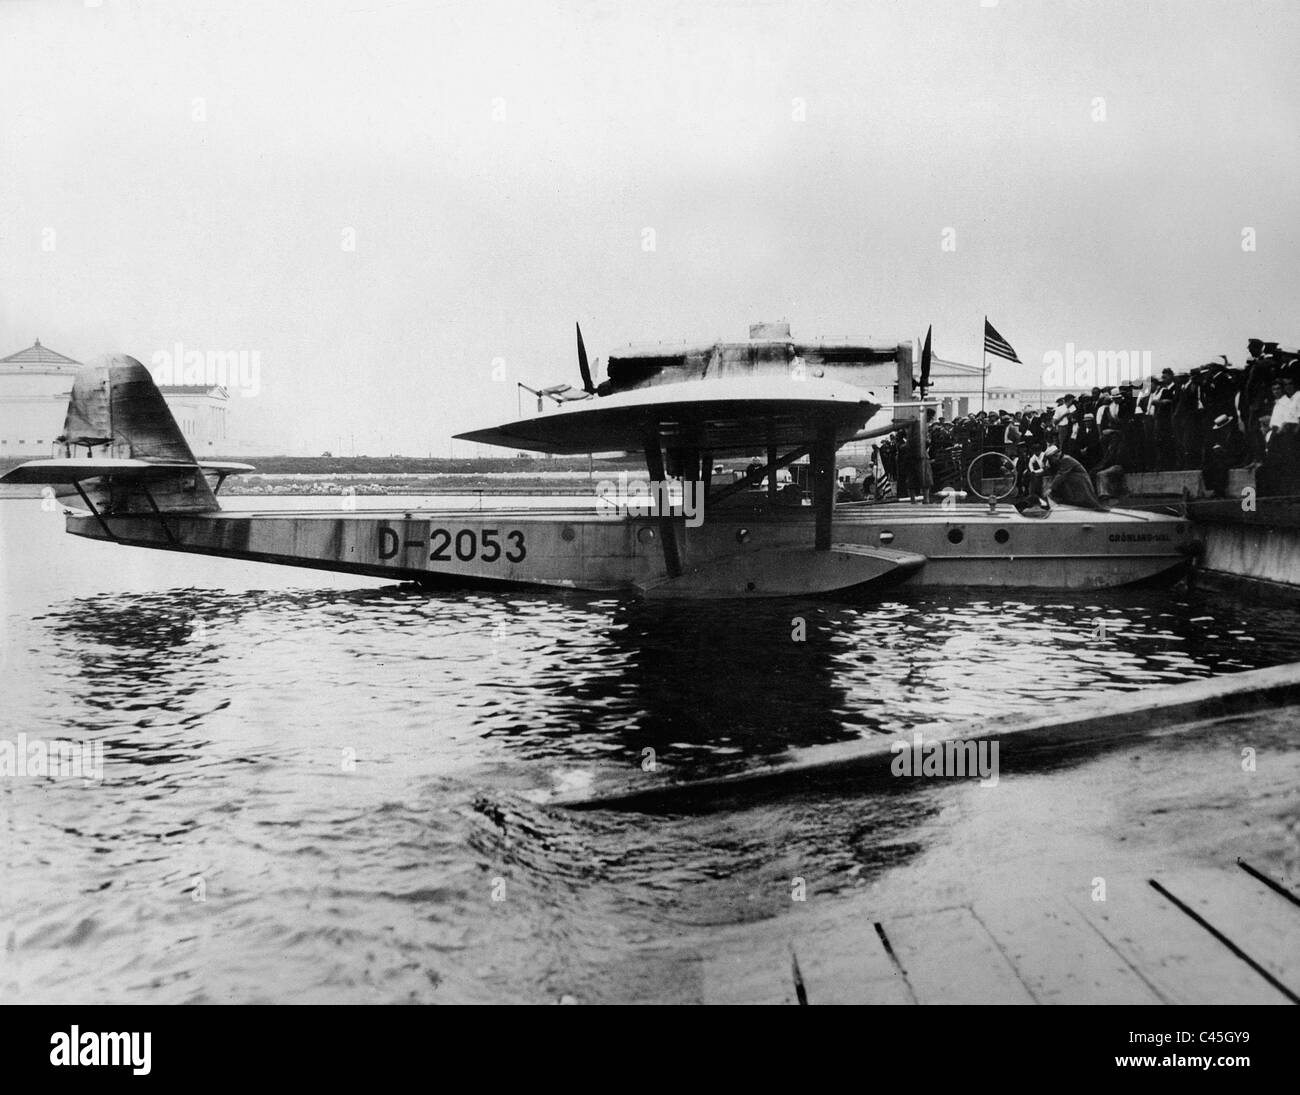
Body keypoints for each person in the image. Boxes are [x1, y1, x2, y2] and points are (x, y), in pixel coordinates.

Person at [1042, 444, 1109, 510]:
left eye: (1050, 459)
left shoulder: (1066, 459)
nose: (1051, 461)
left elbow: (1061, 475)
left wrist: (1050, 488)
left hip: (1081, 480)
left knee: (1060, 481)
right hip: (1073, 480)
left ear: (1055, 456)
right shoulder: (1060, 460)